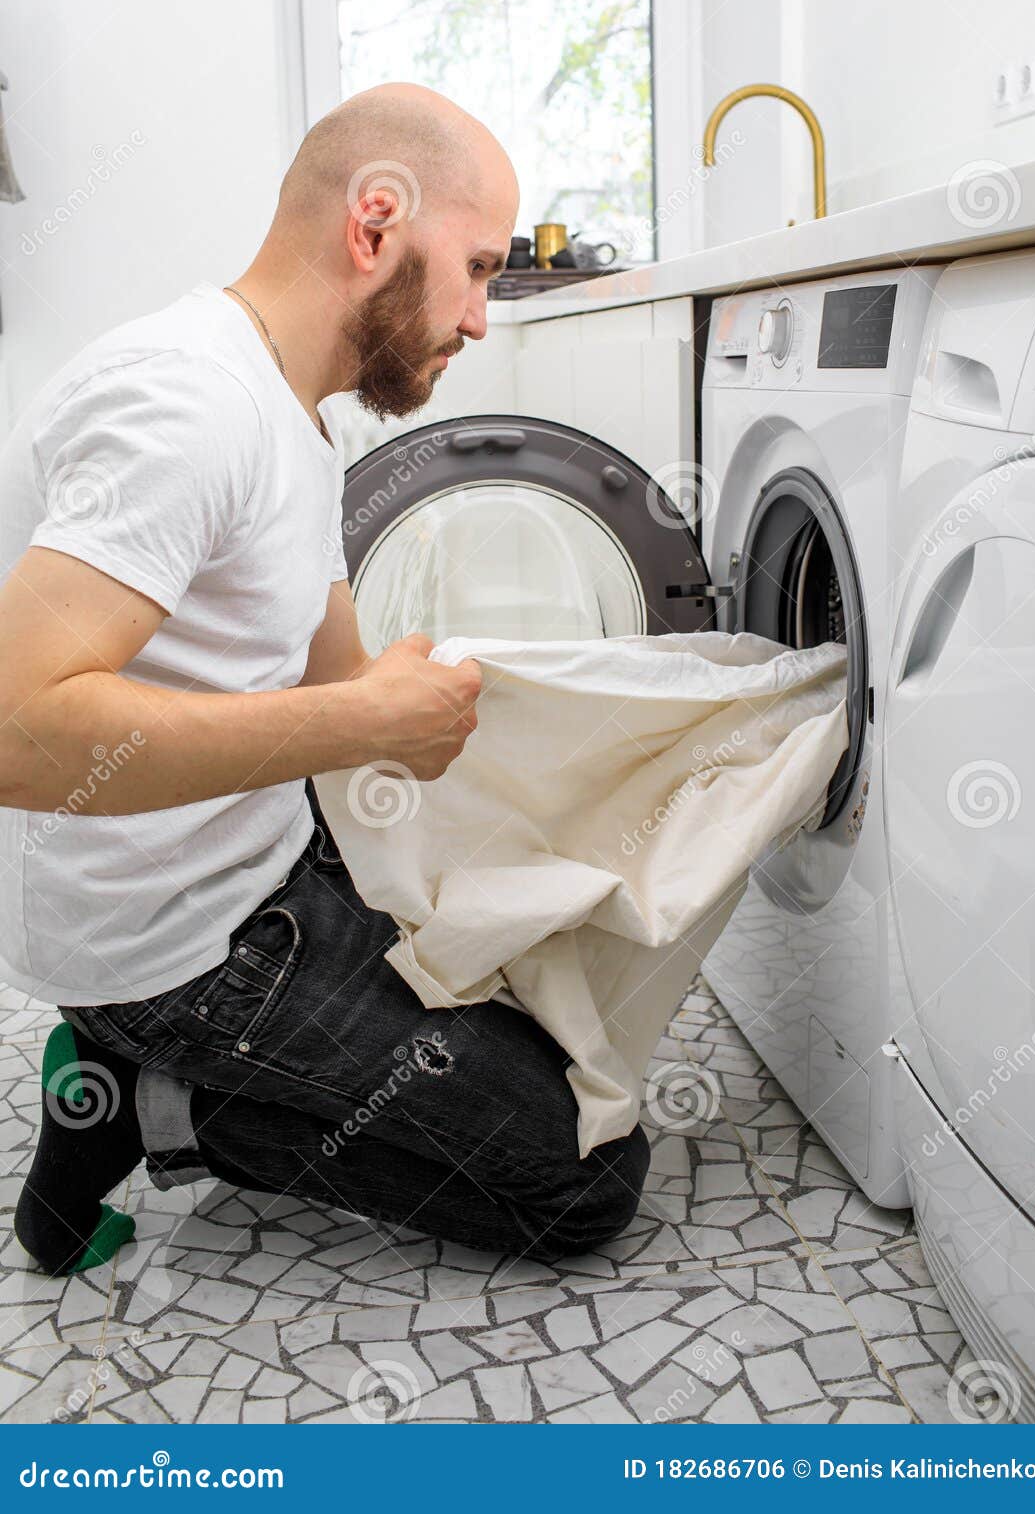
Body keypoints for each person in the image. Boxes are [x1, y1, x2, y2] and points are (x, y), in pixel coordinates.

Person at [0, 83, 649, 1277]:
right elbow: (16, 730)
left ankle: (128, 1071)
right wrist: (359, 720)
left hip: (255, 856)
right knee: (582, 1174)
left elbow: (336, 674)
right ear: (374, 224)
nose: (479, 318)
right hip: (179, 942)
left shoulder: (292, 416)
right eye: (477, 267)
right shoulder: (184, 404)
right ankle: (143, 1091)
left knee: (560, 1045)